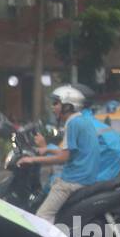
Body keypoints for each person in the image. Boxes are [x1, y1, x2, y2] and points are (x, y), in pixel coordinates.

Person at [19, 85, 100, 222]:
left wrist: (33, 160)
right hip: (87, 178)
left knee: (42, 217)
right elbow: (74, 152)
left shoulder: (72, 123)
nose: (53, 107)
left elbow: (64, 157)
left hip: (73, 181)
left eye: (56, 104)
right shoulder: (83, 120)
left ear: (68, 106)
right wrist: (47, 150)